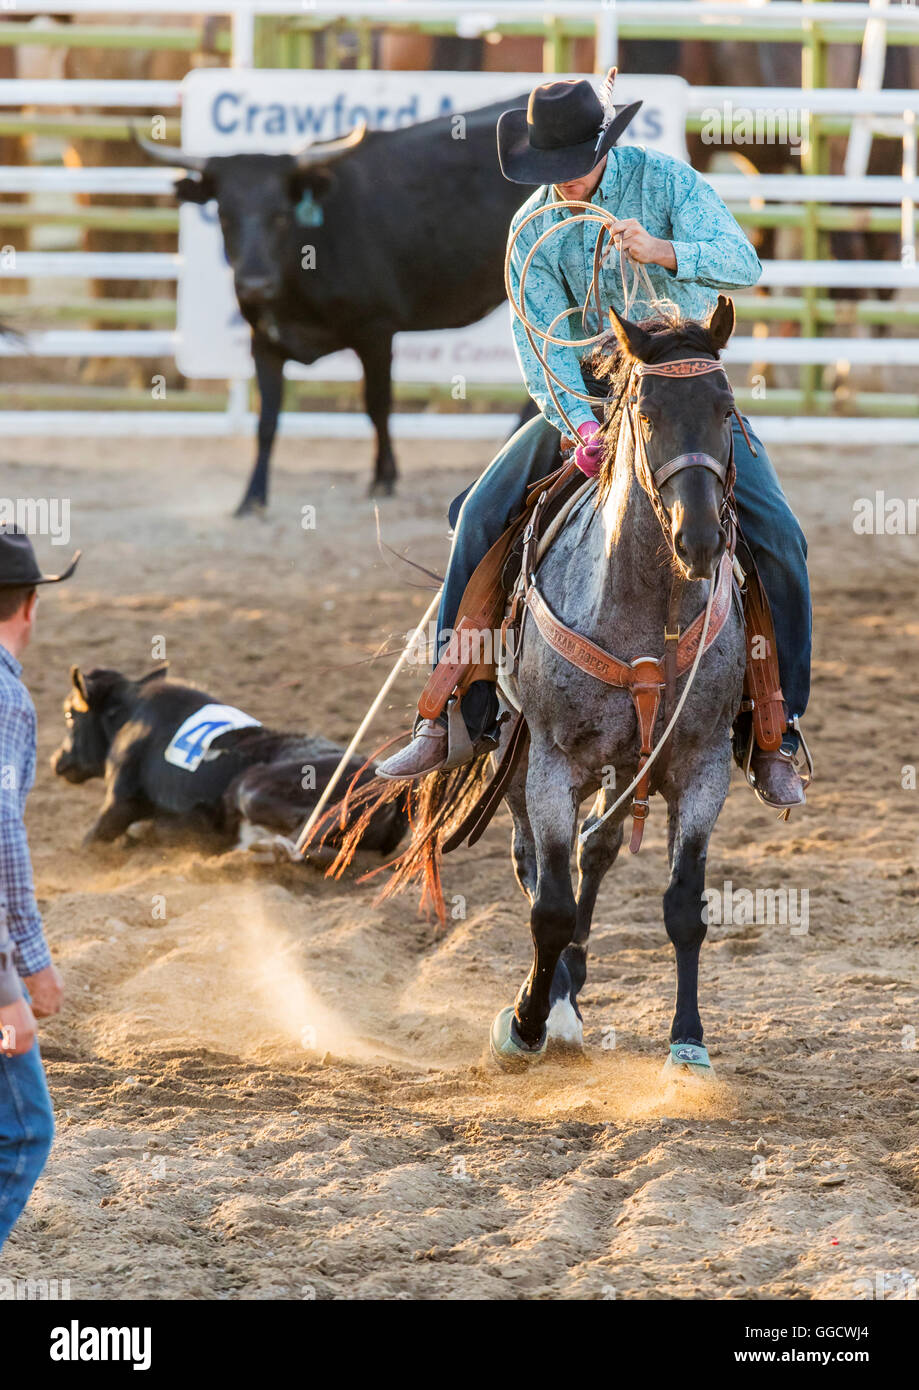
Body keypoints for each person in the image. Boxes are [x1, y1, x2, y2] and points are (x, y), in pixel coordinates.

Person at [378, 76, 811, 809]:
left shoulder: (666, 183)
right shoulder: (530, 231)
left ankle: (775, 724)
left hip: (678, 386)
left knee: (780, 540)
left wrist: (664, 249)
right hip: (586, 400)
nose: (563, 181)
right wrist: (579, 426)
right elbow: (537, 346)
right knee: (478, 519)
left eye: (574, 163)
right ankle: (455, 709)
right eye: (549, 169)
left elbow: (744, 264)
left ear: (604, 147)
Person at [0, 528, 79, 1250]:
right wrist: (19, 972)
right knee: (24, 1132)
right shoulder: (8, 700)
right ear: (29, 608)